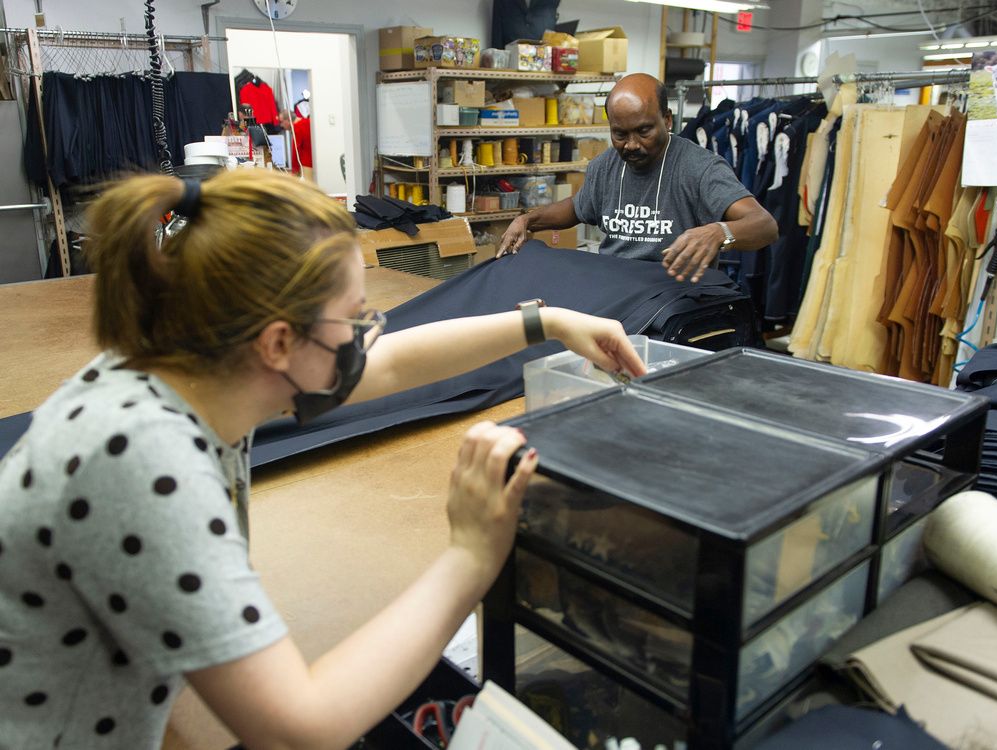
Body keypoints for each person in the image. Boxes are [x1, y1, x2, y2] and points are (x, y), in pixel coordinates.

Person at [0, 170, 645, 748]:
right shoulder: (141, 462)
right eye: (354, 317)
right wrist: (471, 558)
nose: (368, 334)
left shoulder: (198, 366)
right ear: (279, 343)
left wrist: (549, 322)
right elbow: (296, 729)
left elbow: (392, 364)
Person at [498, 73, 778, 284]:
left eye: (644, 131)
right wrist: (528, 220)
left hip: (672, 295)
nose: (631, 144)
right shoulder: (605, 165)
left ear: (667, 120)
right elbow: (577, 207)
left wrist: (720, 232)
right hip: (615, 287)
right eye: (620, 134)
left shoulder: (700, 168)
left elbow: (764, 226)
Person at [279, 108, 313, 177]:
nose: (281, 125)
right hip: (315, 161)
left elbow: (296, 151)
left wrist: (294, 170)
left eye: (282, 122)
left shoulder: (297, 127)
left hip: (307, 165)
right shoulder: (308, 121)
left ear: (288, 120)